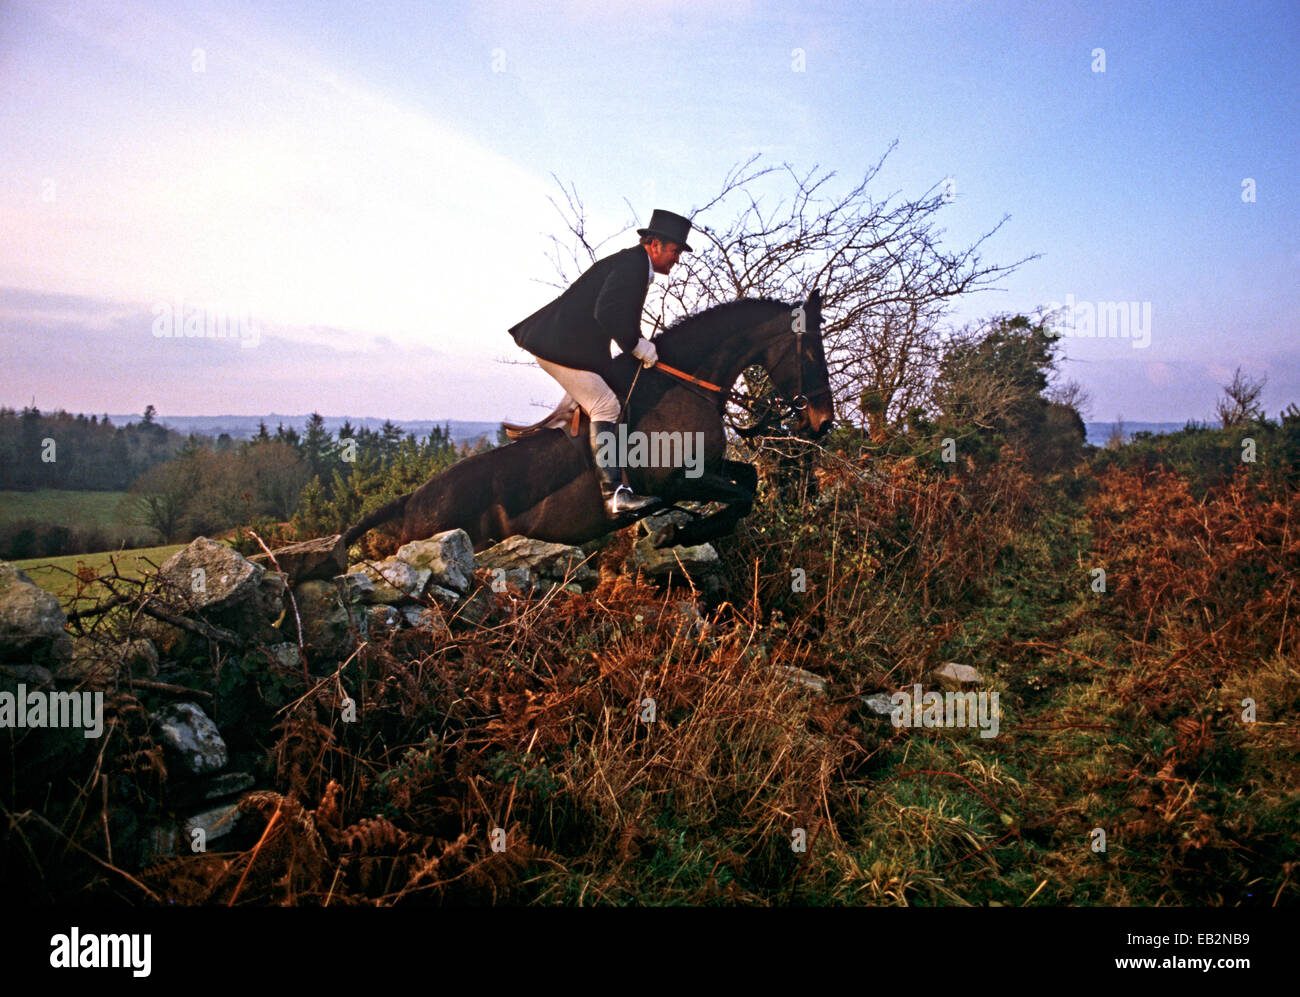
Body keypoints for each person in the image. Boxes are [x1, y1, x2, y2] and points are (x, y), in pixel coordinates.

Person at [509, 208, 694, 516]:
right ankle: (614, 495)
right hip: (558, 347)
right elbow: (607, 313)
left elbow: (611, 314)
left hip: (571, 347)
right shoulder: (632, 266)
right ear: (655, 244)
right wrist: (635, 345)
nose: (677, 259)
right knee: (605, 406)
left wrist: (635, 342)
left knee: (612, 394)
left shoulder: (634, 264)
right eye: (675, 251)